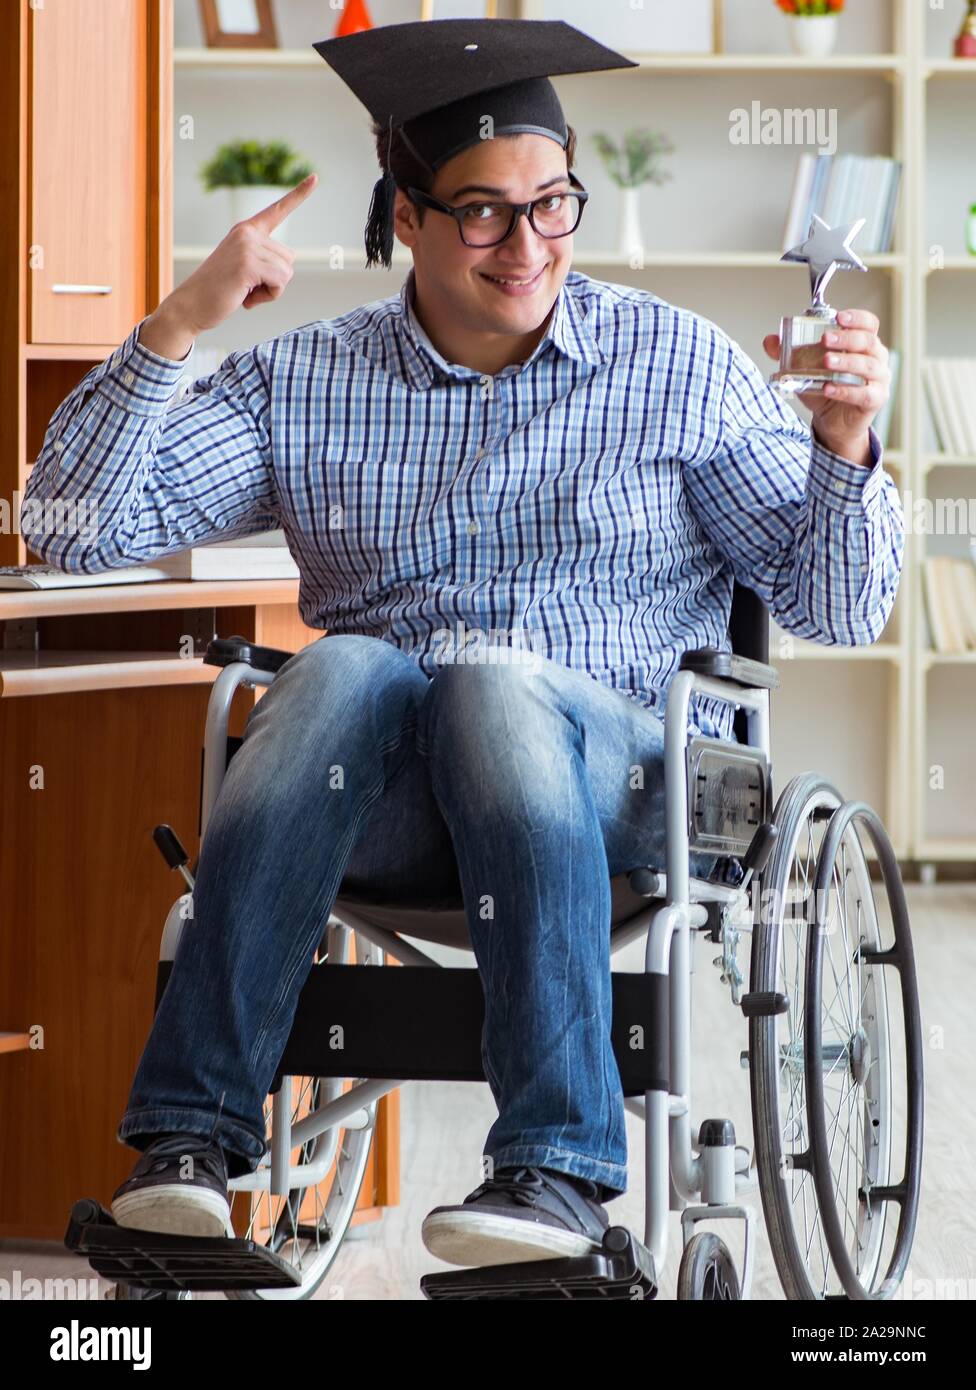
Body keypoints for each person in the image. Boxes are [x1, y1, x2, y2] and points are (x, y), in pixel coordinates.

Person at [21, 18, 904, 1271]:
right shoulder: (307, 381)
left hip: (622, 785)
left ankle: (557, 1167)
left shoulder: (675, 365)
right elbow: (72, 529)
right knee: (338, 665)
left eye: (552, 205)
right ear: (408, 215)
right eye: (484, 213)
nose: (527, 245)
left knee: (493, 682)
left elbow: (838, 607)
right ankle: (187, 1144)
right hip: (390, 804)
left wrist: (845, 445)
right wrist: (178, 321)